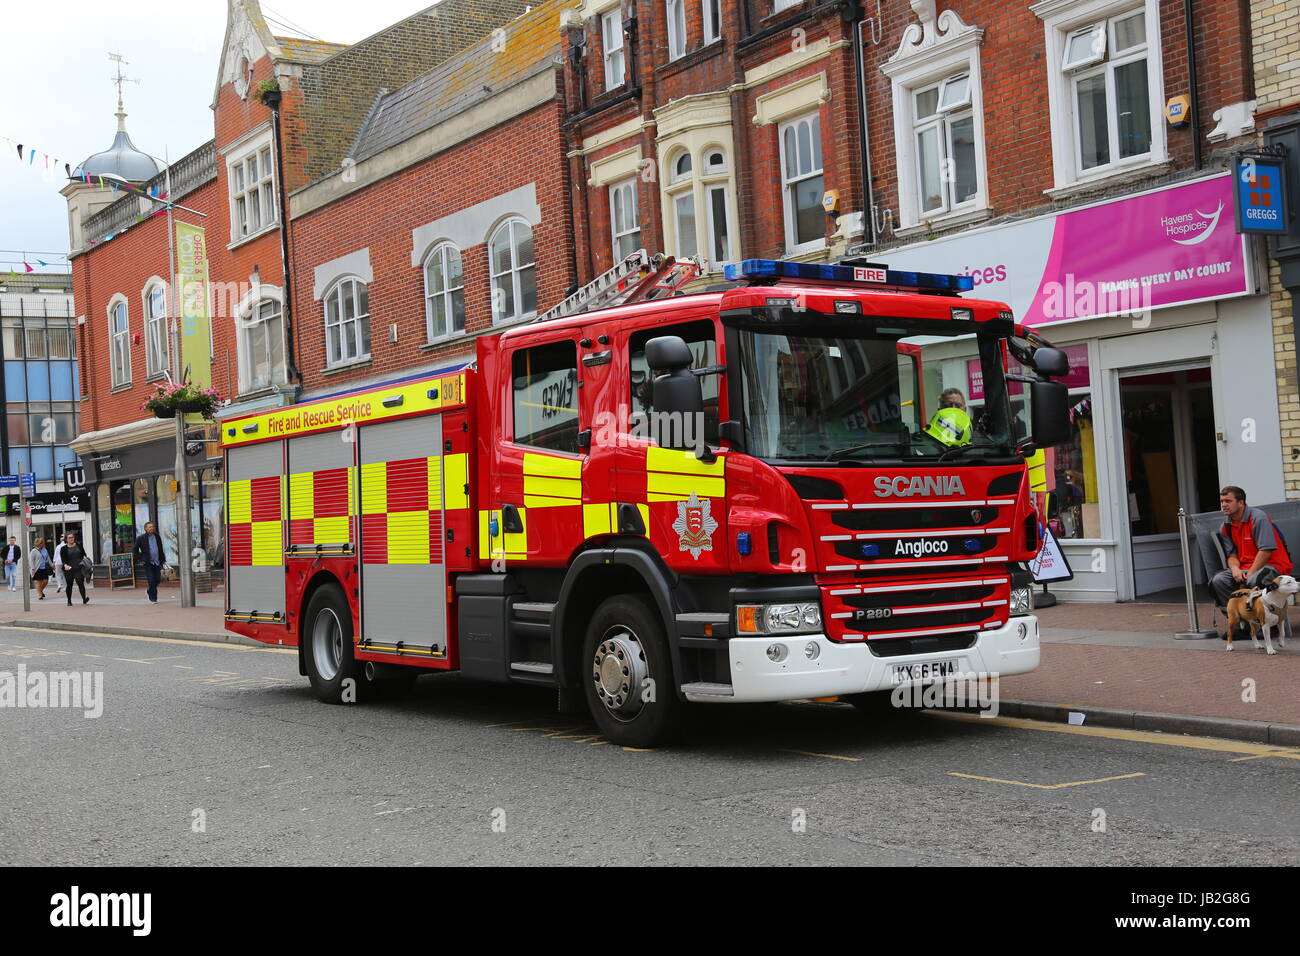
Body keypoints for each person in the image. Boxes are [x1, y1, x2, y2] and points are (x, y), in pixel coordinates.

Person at [1211, 485, 1293, 640]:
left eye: (1228, 501)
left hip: (1274, 564)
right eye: (1222, 501)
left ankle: (1271, 625)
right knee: (1218, 581)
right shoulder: (1226, 526)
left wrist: (1250, 573)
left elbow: (1266, 551)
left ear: (1241, 503)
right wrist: (1235, 569)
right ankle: (1242, 624)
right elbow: (1232, 554)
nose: (1224, 505)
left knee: (1256, 580)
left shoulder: (1258, 518)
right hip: (1245, 567)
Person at [133, 521, 168, 605]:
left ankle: (149, 591)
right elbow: (135, 549)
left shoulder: (157, 536)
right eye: (149, 527)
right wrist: (141, 559)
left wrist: (163, 559)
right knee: (151, 579)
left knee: (158, 579)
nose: (151, 528)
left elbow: (160, 549)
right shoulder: (141, 538)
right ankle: (153, 598)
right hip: (148, 562)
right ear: (145, 529)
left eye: (152, 526)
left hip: (157, 561)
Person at [60, 532, 89, 606]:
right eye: (69, 538)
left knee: (80, 583)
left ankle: (84, 599)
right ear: (66, 539)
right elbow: (63, 559)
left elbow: (84, 555)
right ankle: (69, 601)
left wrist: (85, 561)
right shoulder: (63, 549)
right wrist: (65, 565)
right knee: (69, 585)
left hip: (79, 567)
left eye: (72, 537)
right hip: (69, 569)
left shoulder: (79, 545)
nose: (71, 539)